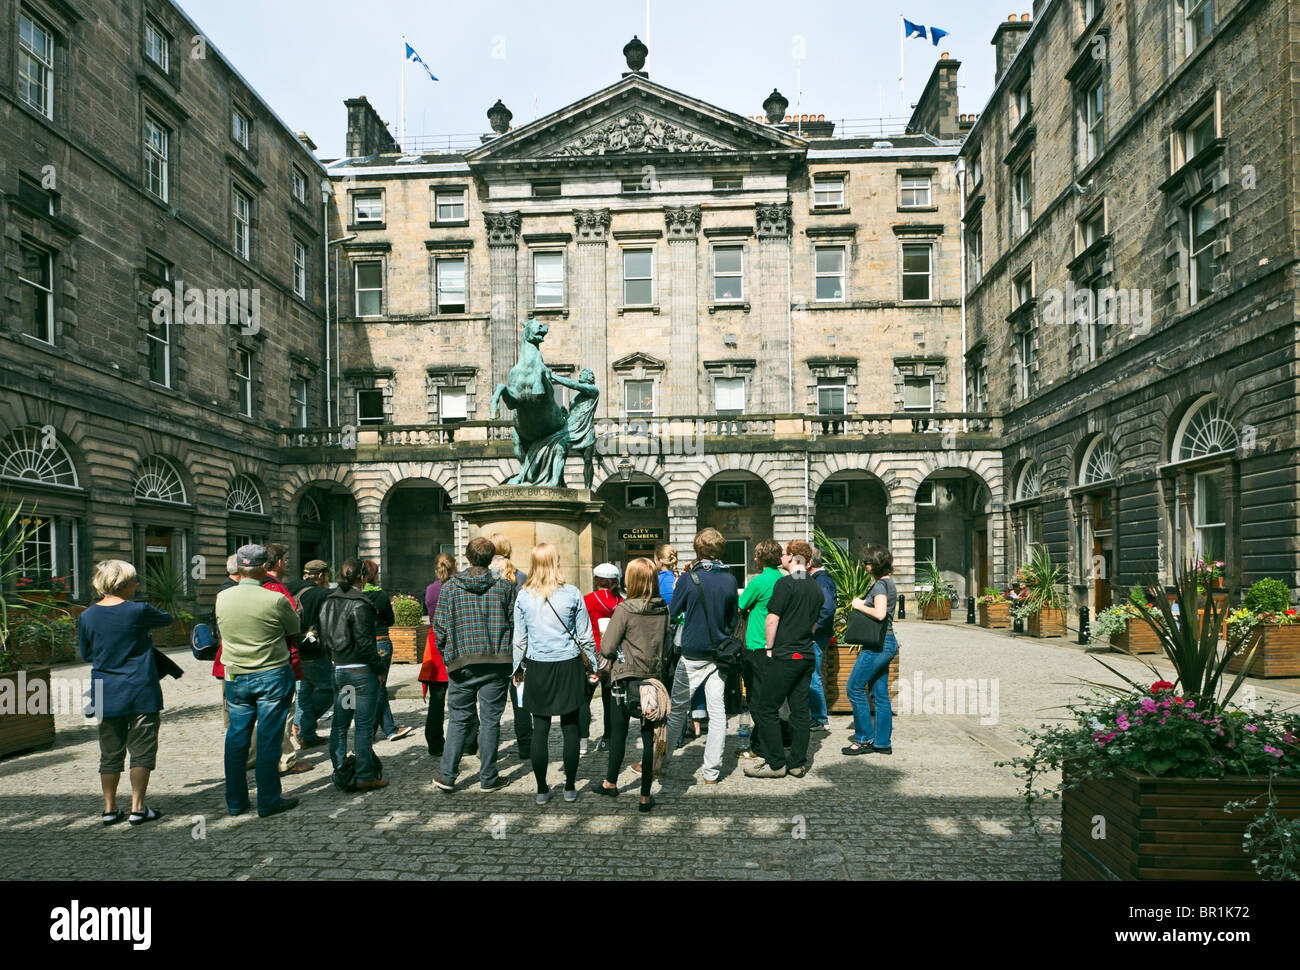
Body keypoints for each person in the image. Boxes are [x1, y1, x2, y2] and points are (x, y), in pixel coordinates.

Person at [78, 560, 172, 826]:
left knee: (109, 753)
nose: (137, 584)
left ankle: (109, 809)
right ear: (123, 585)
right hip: (140, 689)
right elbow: (167, 618)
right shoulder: (139, 611)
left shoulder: (87, 616)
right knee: (142, 751)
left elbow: (87, 654)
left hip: (104, 691)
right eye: (134, 581)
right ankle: (137, 808)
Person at [216, 544, 302, 817]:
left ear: (239, 567)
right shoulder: (273, 599)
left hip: (237, 675)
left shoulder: (223, 597)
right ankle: (268, 801)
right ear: (265, 567)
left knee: (236, 738)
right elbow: (294, 627)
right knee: (268, 739)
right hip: (271, 673)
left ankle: (236, 802)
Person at [512, 543, 601, 804]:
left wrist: (517, 668)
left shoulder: (524, 596)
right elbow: (585, 636)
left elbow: (520, 640)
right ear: (556, 562)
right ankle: (570, 787)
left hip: (538, 665)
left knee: (539, 728)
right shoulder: (572, 594)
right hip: (568, 665)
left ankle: (542, 790)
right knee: (570, 727)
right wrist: (594, 665)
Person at [432, 536, 516, 793]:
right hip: (496, 661)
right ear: (491, 559)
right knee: (490, 721)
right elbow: (515, 625)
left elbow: (439, 628)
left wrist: (449, 657)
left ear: (468, 558)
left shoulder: (450, 588)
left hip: (462, 662)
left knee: (458, 719)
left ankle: (448, 775)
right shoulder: (503, 587)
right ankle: (488, 778)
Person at [660, 528, 738, 785]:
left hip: (693, 652)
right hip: (720, 653)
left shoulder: (688, 578)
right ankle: (711, 772)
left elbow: (672, 613)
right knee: (718, 712)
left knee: (677, 709)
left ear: (698, 550)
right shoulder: (729, 579)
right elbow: (733, 619)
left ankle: (661, 762)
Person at [745, 541, 822, 778]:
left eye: (785, 554)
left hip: (785, 654)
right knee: (800, 711)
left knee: (765, 707)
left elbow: (772, 619)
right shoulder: (816, 588)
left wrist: (769, 648)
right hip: (805, 654)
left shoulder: (785, 584)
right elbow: (814, 624)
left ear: (791, 557)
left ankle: (776, 762)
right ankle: (797, 763)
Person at [597, 557, 668, 812]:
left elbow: (606, 647)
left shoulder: (625, 609)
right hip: (653, 679)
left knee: (619, 734)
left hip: (624, 680)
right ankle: (645, 796)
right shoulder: (663, 609)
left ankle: (610, 782)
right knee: (648, 738)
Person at [319, 559, 387, 791]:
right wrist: (378, 669)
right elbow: (366, 644)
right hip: (359, 671)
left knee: (340, 723)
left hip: (340, 668)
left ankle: (340, 769)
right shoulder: (360, 604)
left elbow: (323, 636)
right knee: (363, 726)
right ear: (363, 577)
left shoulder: (329, 600)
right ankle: (364, 775)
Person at [843, 546, 899, 756]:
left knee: (854, 688)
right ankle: (882, 742)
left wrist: (858, 605)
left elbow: (880, 613)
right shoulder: (888, 583)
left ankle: (864, 739)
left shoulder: (879, 587)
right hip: (887, 643)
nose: (864, 565)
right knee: (880, 695)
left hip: (877, 645)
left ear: (873, 565)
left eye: (867, 562)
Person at [736, 539, 783, 761]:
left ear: (762, 558)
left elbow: (740, 605)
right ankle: (760, 743)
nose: (753, 559)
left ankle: (762, 746)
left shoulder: (758, 581)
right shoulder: (783, 580)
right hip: (777, 646)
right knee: (770, 698)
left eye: (755, 556)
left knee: (756, 700)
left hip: (756, 644)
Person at [263, 543, 308, 769]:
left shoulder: (250, 586)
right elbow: (293, 622)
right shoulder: (276, 587)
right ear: (278, 562)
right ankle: (286, 760)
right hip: (280, 657)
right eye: (285, 559)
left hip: (254, 661)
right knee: (284, 711)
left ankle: (258, 758)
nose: (287, 564)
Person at [361, 561, 412, 742]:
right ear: (373, 575)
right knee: (380, 687)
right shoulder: (380, 596)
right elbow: (390, 620)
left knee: (373, 687)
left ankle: (379, 729)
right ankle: (383, 729)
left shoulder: (355, 594)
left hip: (362, 643)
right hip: (381, 641)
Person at [490, 533, 531, 760]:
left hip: (492, 646)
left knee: (491, 705)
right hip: (516, 647)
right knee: (520, 701)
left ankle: (488, 748)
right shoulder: (520, 576)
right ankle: (526, 746)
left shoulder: (487, 577)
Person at [580, 562, 622, 754]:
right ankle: (608, 738)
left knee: (584, 700)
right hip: (613, 657)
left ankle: (582, 740)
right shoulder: (622, 602)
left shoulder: (587, 600)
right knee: (609, 700)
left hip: (591, 656)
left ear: (597, 580)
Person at [293, 560, 334, 747]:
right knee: (333, 689)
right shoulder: (321, 593)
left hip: (293, 649)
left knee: (304, 692)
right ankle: (303, 725)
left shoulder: (290, 587)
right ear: (321, 575)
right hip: (313, 650)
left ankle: (307, 735)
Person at [420, 553, 457, 757]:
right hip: (455, 640)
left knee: (437, 699)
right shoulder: (457, 587)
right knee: (462, 696)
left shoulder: (431, 589)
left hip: (435, 641)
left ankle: (434, 743)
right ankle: (468, 741)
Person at [552, 367, 600, 490]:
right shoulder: (577, 397)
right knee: (559, 448)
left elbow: (574, 385)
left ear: (589, 378)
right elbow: (575, 416)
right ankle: (558, 482)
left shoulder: (593, 391)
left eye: (584, 374)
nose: (581, 376)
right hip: (573, 430)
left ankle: (588, 488)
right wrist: (566, 415)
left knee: (588, 459)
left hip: (586, 430)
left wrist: (554, 377)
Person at [808, 545, 837, 732]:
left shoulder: (822, 580)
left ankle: (820, 718)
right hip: (818, 634)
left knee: (813, 675)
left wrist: (812, 630)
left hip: (817, 636)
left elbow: (827, 610)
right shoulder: (819, 579)